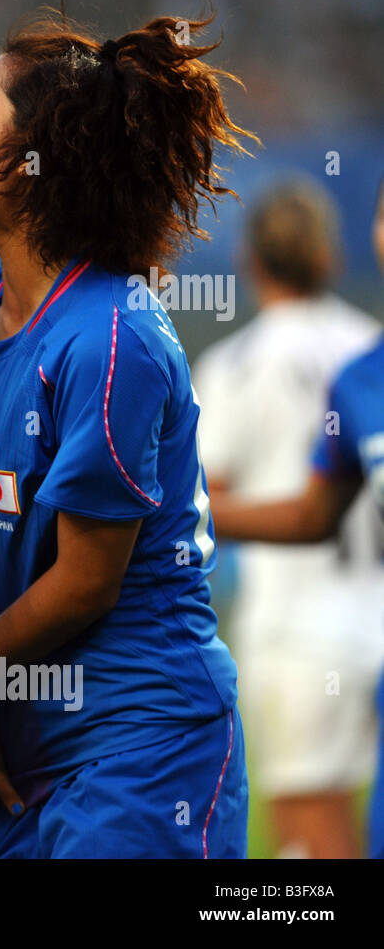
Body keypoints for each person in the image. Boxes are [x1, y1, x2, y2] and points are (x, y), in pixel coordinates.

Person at [0, 12, 256, 859]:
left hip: (143, 745)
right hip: (28, 754)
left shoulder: (114, 338)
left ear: (37, 156)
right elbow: (8, 559)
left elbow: (84, 583)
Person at [193, 178, 384, 859]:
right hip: (378, 623)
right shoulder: (368, 346)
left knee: (310, 849)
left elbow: (203, 505)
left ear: (251, 261)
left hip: (298, 635)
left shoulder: (236, 365)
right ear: (331, 256)